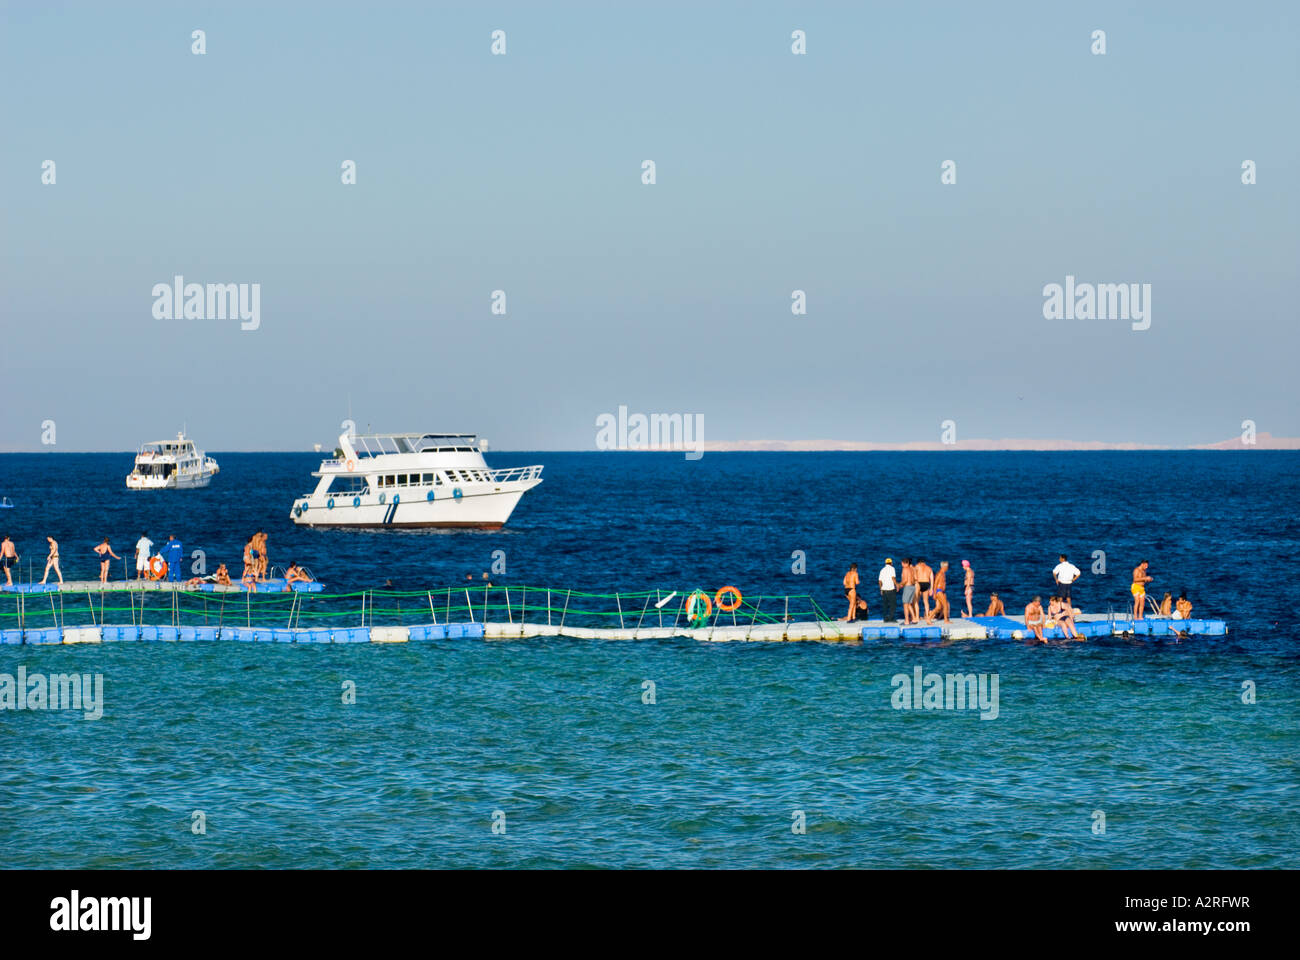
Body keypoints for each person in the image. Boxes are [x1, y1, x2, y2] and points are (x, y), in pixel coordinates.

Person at [878, 557, 898, 622]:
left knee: (885, 605)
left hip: (884, 590)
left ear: (885, 563)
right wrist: (896, 585)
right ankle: (891, 618)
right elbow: (893, 578)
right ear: (891, 563)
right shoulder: (892, 569)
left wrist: (881, 589)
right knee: (893, 604)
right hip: (891, 589)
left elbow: (880, 581)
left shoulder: (882, 570)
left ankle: (885, 618)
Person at [900, 559, 918, 625]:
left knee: (905, 604)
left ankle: (906, 621)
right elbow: (915, 579)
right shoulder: (912, 569)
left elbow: (905, 580)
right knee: (909, 604)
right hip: (912, 587)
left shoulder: (905, 569)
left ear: (903, 563)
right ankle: (914, 619)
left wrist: (899, 585)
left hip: (907, 587)